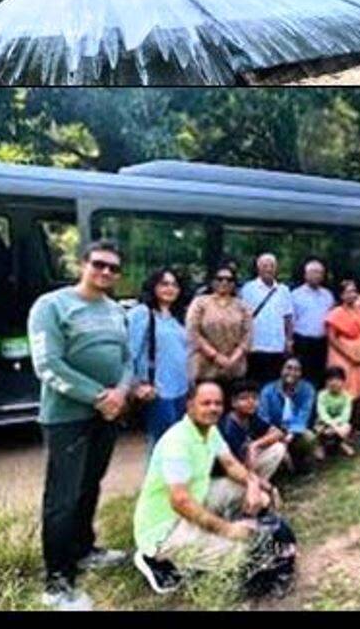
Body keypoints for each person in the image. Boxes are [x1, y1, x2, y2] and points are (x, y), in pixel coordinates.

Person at [28, 240, 135, 610]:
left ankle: (84, 549)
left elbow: (127, 359)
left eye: (113, 268)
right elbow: (48, 365)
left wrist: (121, 393)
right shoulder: (52, 306)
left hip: (107, 415)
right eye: (99, 264)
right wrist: (99, 397)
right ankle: (57, 583)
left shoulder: (115, 310)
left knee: (90, 485)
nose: (106, 272)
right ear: (82, 263)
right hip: (67, 418)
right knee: (62, 498)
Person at [132, 379, 278, 595]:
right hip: (165, 527)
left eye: (217, 403)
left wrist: (254, 484)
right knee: (243, 555)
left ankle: (211, 536)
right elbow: (180, 501)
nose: (213, 408)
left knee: (261, 499)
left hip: (194, 501)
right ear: (189, 405)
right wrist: (226, 529)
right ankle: (152, 558)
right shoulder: (177, 442)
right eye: (206, 403)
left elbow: (230, 464)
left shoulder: (209, 431)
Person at [127, 267, 191, 453]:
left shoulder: (178, 317)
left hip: (181, 390)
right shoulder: (141, 314)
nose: (170, 289)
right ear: (153, 286)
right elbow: (128, 354)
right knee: (163, 445)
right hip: (158, 391)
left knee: (178, 443)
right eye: (164, 284)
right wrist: (135, 385)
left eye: (174, 285)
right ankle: (156, 482)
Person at [187, 266, 252, 384]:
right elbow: (193, 332)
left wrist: (233, 359)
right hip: (205, 369)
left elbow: (248, 335)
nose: (224, 282)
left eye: (229, 279)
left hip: (234, 369)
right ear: (212, 281)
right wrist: (216, 356)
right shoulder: (200, 303)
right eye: (220, 278)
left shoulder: (242, 306)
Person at [257, 357, 323, 472]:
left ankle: (300, 459)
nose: (292, 372)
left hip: (294, 432)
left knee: (309, 437)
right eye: (288, 368)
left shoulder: (307, 389)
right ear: (281, 370)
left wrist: (291, 434)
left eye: (297, 369)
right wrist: (278, 437)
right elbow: (263, 418)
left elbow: (303, 415)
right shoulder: (267, 390)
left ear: (301, 373)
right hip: (272, 432)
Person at [218, 379, 290, 483]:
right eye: (244, 398)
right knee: (276, 448)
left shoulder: (251, 417)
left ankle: (261, 484)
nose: (250, 402)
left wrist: (255, 445)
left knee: (278, 447)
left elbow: (277, 432)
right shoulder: (228, 427)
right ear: (233, 402)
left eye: (254, 398)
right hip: (231, 472)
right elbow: (232, 464)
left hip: (248, 462)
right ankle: (258, 486)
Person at [240, 254, 295, 387]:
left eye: (272, 266)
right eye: (265, 266)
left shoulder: (284, 290)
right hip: (255, 346)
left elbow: (288, 317)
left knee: (275, 384)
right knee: (254, 383)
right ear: (258, 268)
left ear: (276, 269)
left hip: (277, 346)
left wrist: (288, 340)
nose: (269, 269)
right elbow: (242, 318)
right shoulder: (248, 289)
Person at [324, 279, 360, 407]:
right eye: (348, 292)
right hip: (342, 355)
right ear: (341, 295)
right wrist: (349, 354)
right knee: (344, 387)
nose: (352, 295)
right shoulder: (335, 313)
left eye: (354, 291)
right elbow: (332, 338)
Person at [291, 260, 335, 387]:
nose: (317, 275)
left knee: (320, 377)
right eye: (313, 272)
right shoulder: (295, 295)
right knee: (300, 376)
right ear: (305, 274)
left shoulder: (328, 295)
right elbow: (290, 320)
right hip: (301, 342)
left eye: (320, 272)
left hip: (322, 342)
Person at [316, 366, 356, 456]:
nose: (334, 383)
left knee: (346, 427)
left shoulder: (347, 397)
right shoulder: (321, 395)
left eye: (337, 379)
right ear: (326, 382)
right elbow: (322, 413)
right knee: (320, 428)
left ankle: (341, 443)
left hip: (340, 424)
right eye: (330, 380)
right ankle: (321, 446)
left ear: (343, 381)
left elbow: (346, 415)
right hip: (324, 423)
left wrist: (336, 426)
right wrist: (333, 426)